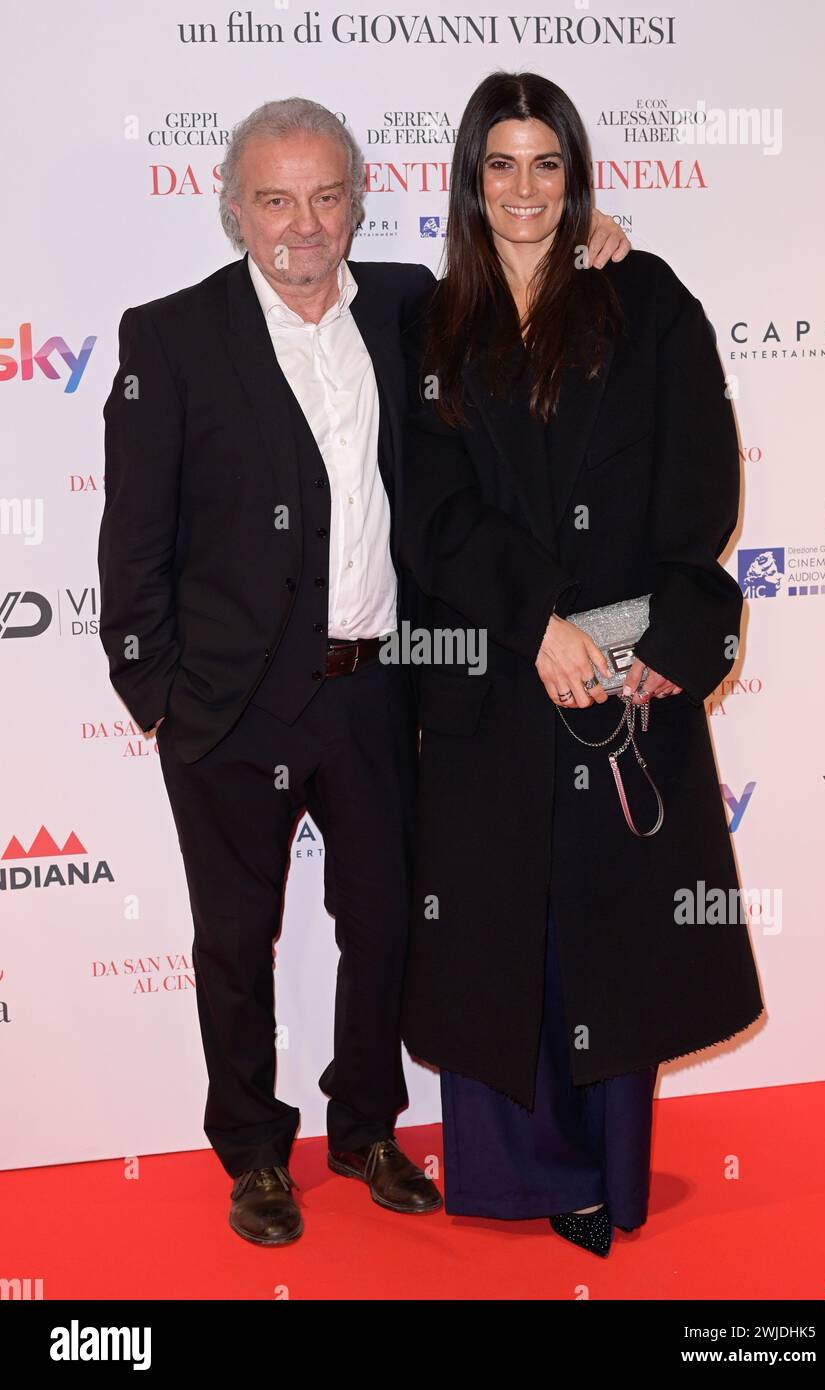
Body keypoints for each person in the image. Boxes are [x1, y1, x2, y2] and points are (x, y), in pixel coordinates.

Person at [97, 95, 630, 1246]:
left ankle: (365, 1126)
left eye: (326, 196)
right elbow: (132, 542)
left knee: (384, 921)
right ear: (233, 206)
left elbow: (518, 272)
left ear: (356, 203)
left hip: (377, 689)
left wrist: (597, 241)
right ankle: (251, 1150)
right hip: (230, 704)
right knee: (235, 940)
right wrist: (162, 701)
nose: (303, 223)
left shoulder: (403, 306)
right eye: (276, 198)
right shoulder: (170, 336)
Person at [398, 71, 766, 1257]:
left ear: (576, 174)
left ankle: (602, 1169)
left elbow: (698, 476)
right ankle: (515, 1171)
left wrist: (670, 636)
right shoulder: (420, 321)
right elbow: (432, 510)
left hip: (623, 679)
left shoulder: (644, 299)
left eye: (544, 163)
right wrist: (535, 622)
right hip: (492, 672)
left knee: (607, 929)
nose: (523, 190)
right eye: (498, 165)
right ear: (467, 178)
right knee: (503, 927)